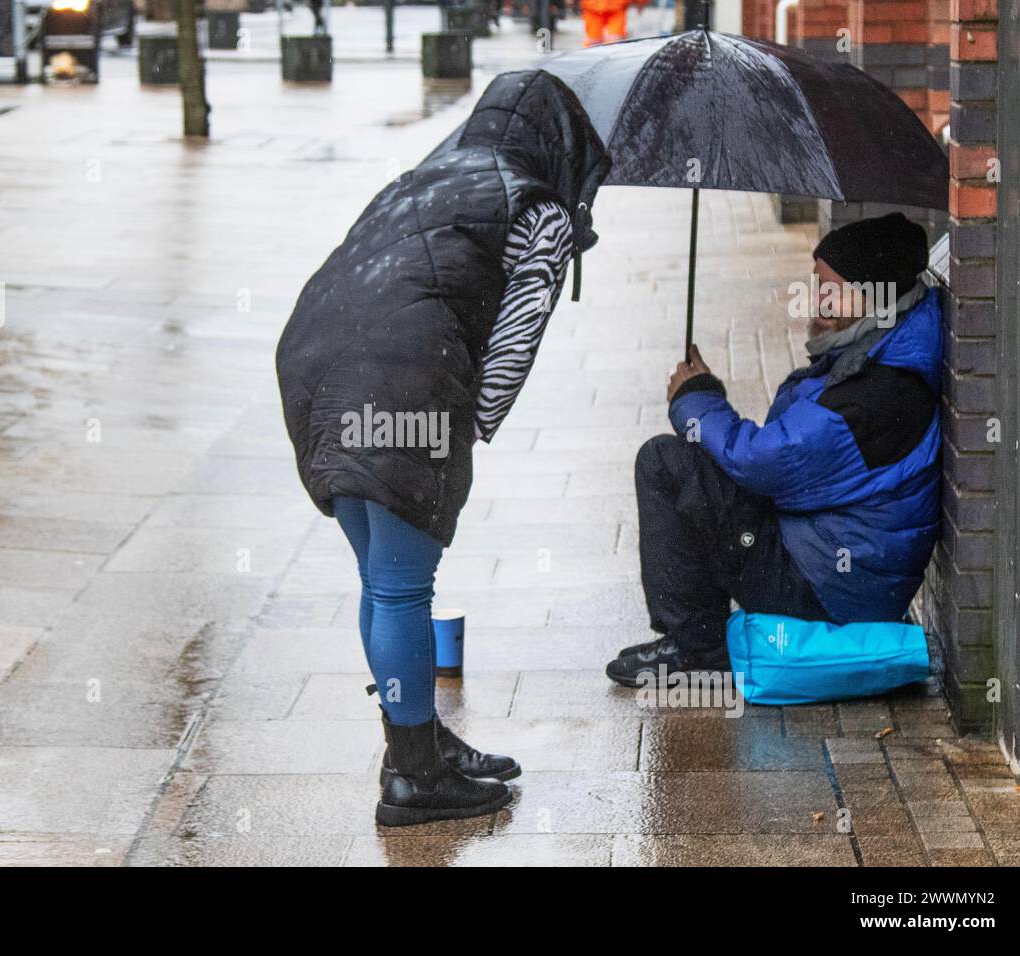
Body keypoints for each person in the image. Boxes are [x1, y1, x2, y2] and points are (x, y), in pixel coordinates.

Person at [277, 71, 610, 826]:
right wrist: (470, 422)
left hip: (309, 363)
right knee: (400, 588)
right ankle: (414, 780)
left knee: (379, 576)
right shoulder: (539, 207)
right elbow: (510, 352)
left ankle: (418, 741)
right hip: (401, 381)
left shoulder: (421, 179)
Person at [607, 212, 940, 686]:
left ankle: (696, 648)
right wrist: (707, 400)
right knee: (700, 467)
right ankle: (698, 636)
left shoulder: (877, 391)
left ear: (876, 299)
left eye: (833, 290)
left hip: (827, 595)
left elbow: (766, 462)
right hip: (842, 574)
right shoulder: (880, 348)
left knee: (667, 464)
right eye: (816, 285)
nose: (816, 302)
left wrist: (695, 400)